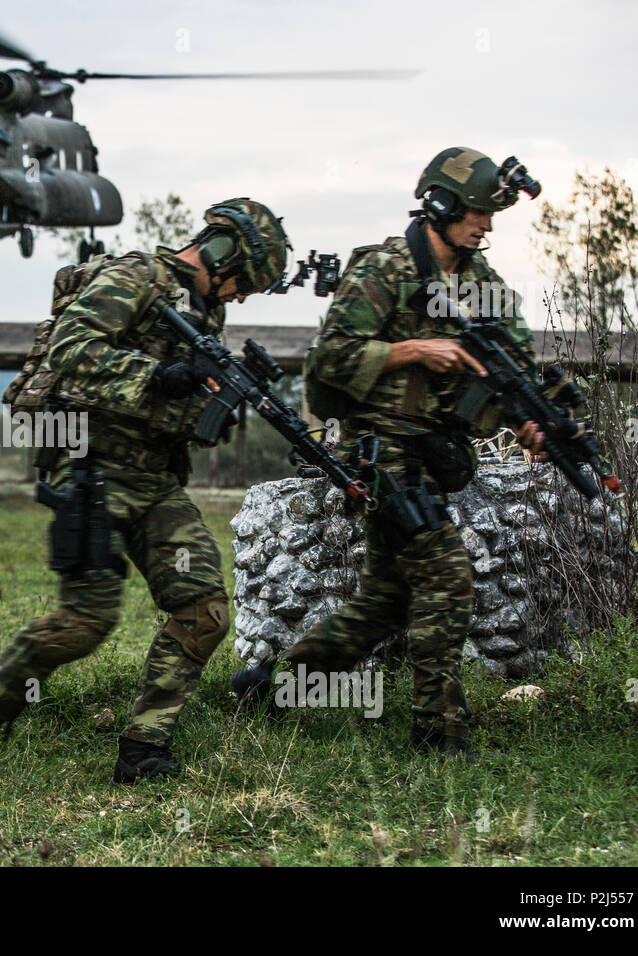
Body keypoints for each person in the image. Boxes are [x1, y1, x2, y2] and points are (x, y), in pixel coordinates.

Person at [0, 198, 292, 783]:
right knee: (86, 622)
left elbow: (169, 406)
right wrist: (155, 375)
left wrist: (210, 407)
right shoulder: (134, 278)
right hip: (90, 472)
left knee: (202, 608)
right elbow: (72, 349)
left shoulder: (205, 316)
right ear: (222, 251)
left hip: (154, 481)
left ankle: (143, 747)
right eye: (243, 283)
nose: (238, 297)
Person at [231, 147, 547, 757]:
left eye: (491, 216)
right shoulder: (385, 269)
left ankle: (271, 686)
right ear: (441, 204)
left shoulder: (480, 282)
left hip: (435, 454)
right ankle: (439, 734)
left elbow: (517, 363)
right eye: (477, 213)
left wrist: (535, 419)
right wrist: (412, 351)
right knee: (450, 579)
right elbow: (328, 362)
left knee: (384, 602)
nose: (485, 226)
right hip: (382, 455)